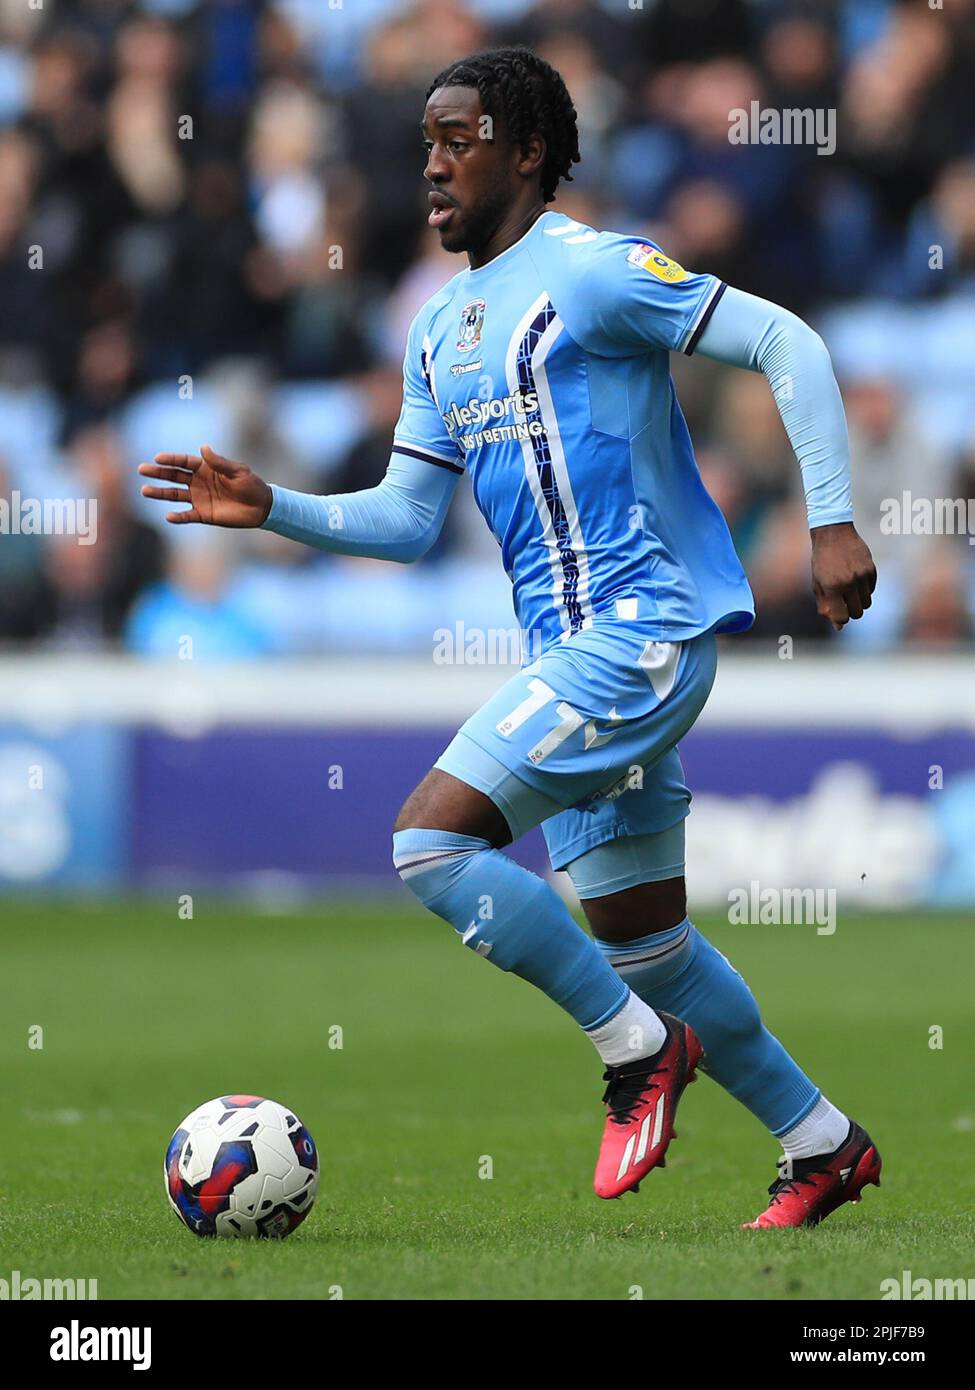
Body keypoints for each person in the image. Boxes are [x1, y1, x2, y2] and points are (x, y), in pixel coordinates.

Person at [139, 47, 881, 1227]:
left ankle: (639, 1055)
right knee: (650, 944)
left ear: (528, 150)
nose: (433, 166)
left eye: (459, 138)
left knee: (430, 847)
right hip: (569, 657)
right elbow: (404, 519)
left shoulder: (595, 271)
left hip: (638, 634)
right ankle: (820, 1141)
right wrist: (271, 505)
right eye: (426, 143)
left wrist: (832, 518)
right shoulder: (438, 329)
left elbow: (788, 342)